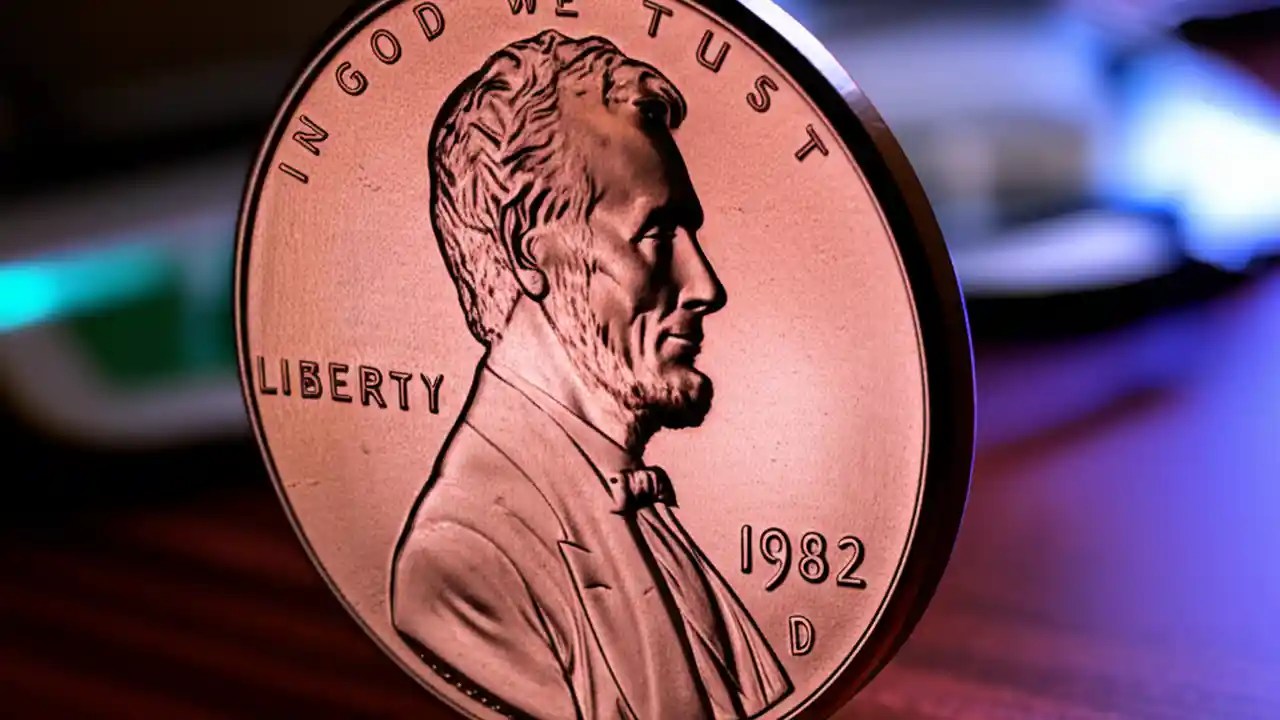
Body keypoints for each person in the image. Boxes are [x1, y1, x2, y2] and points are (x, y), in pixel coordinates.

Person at [390, 30, 791, 720]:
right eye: (657, 234)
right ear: (529, 254)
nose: (706, 286)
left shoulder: (637, 508)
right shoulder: (461, 561)